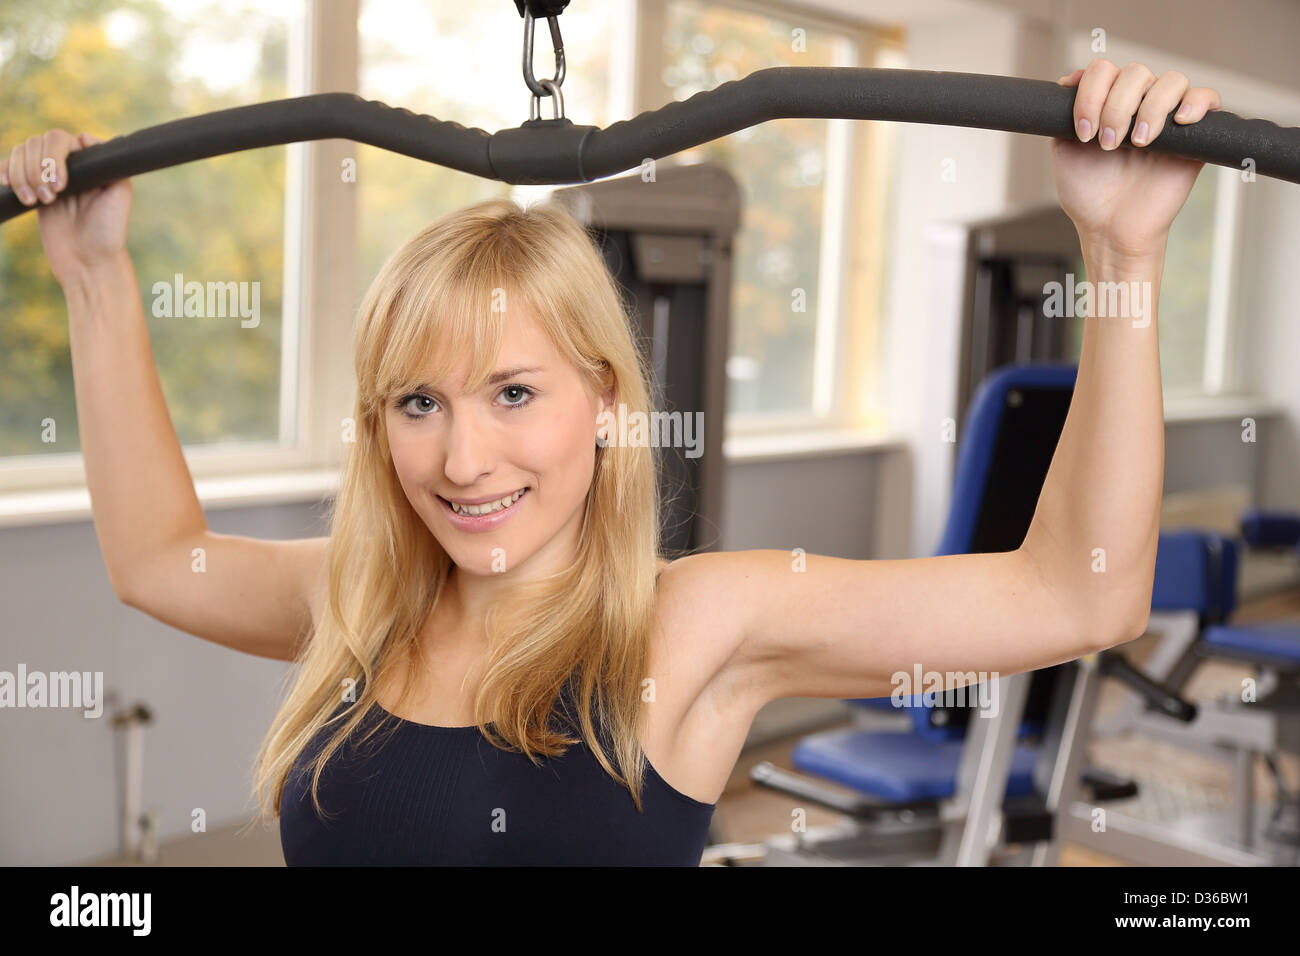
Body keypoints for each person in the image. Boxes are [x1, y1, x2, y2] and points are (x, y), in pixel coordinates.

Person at [2, 57, 1221, 865]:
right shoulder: (360, 598)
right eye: (418, 400)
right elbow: (161, 555)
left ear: (601, 398)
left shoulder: (693, 625)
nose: (464, 456)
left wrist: (1118, 254)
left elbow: (1085, 588)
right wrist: (96, 276)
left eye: (513, 392)